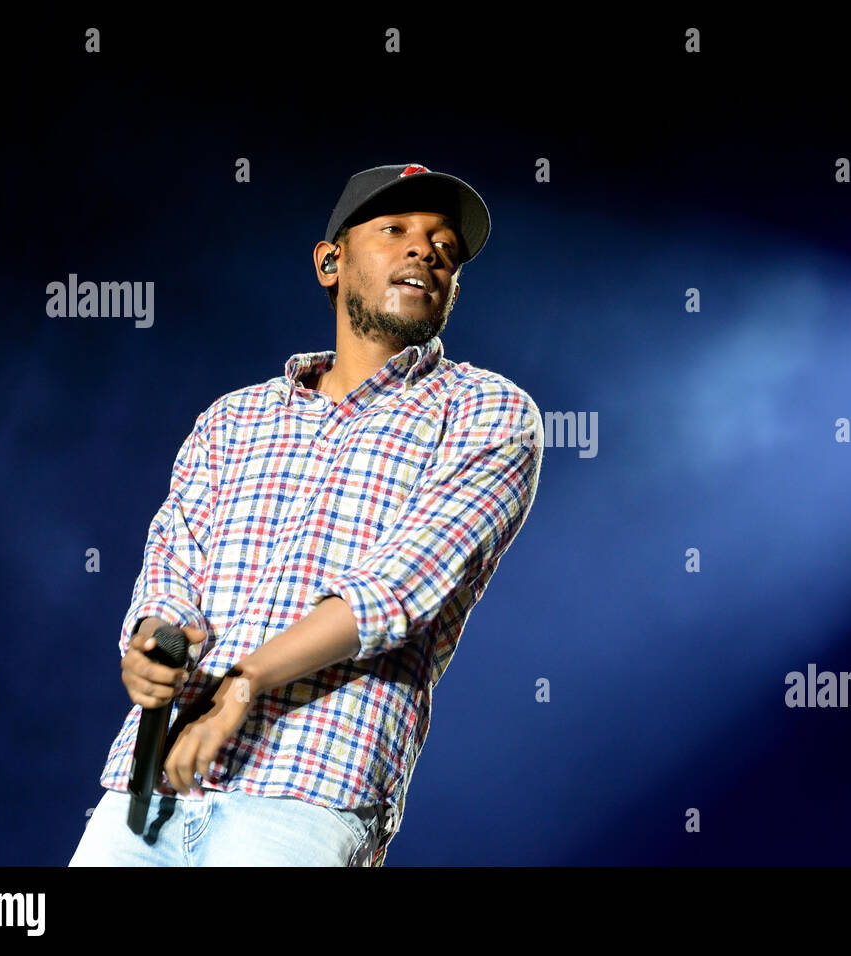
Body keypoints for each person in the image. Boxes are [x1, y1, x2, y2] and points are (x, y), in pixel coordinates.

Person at [70, 163, 543, 866]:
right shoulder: (234, 418)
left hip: (310, 794)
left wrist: (242, 684)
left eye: (445, 245)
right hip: (147, 789)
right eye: (396, 230)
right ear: (331, 263)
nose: (427, 250)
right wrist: (151, 645)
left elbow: (396, 591)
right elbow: (172, 564)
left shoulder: (488, 413)